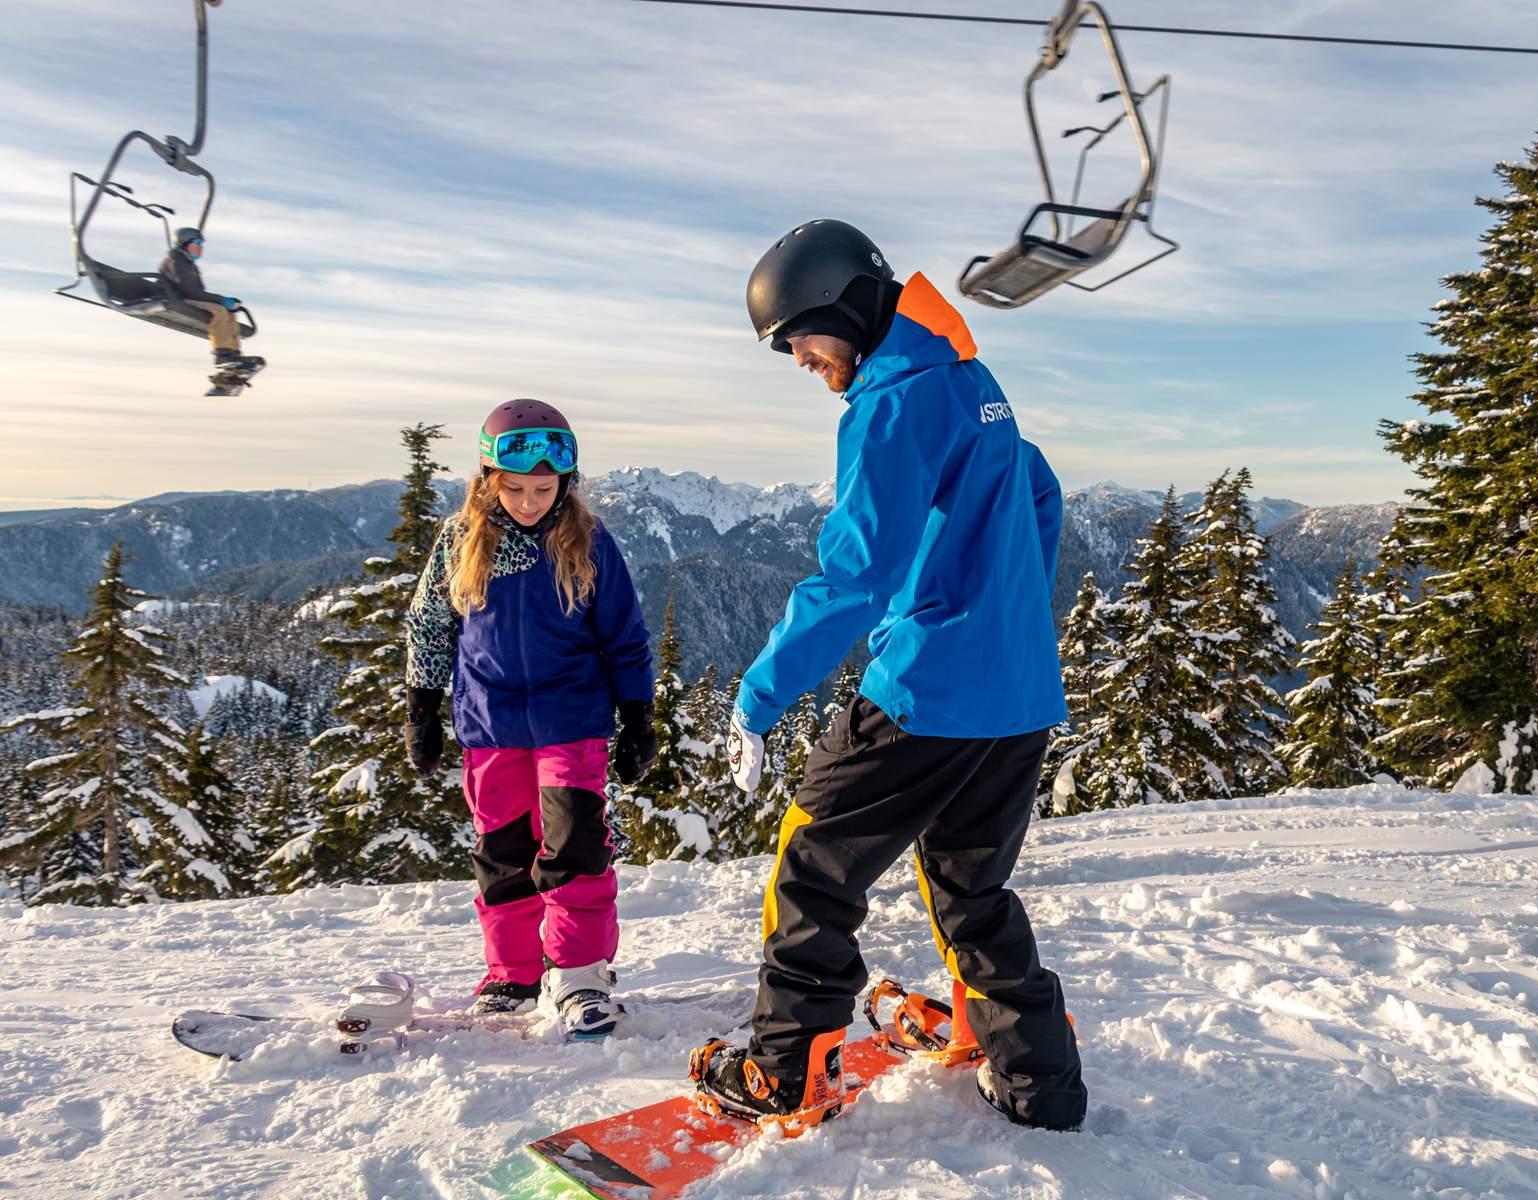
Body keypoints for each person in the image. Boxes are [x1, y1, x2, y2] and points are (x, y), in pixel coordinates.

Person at [688, 219, 1086, 1132]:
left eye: (795, 337)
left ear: (837, 305)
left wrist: (760, 696)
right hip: (1016, 696)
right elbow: (1038, 493)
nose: (796, 359)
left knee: (812, 864)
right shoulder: (969, 381)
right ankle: (1038, 1076)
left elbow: (855, 574)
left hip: (927, 691)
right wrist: (1005, 617)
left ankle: (785, 1067)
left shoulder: (892, 400)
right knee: (969, 887)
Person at [403, 399, 658, 1038]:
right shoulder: (461, 541)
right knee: (503, 850)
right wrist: (422, 711)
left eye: (543, 489)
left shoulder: (588, 541)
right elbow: (432, 626)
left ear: (564, 485)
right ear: (488, 481)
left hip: (571, 715)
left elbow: (624, 636)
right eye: (513, 488)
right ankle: (512, 974)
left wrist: (638, 715)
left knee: (574, 847)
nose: (527, 501)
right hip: (489, 721)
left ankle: (579, 973)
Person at [158, 227, 261, 371]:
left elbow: (198, 292)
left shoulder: (189, 264)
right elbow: (191, 291)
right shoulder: (176, 261)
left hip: (187, 297)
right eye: (198, 243)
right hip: (177, 299)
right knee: (219, 310)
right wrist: (220, 300)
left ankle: (234, 353)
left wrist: (224, 301)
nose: (201, 248)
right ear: (185, 243)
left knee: (229, 312)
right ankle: (222, 354)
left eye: (202, 245)